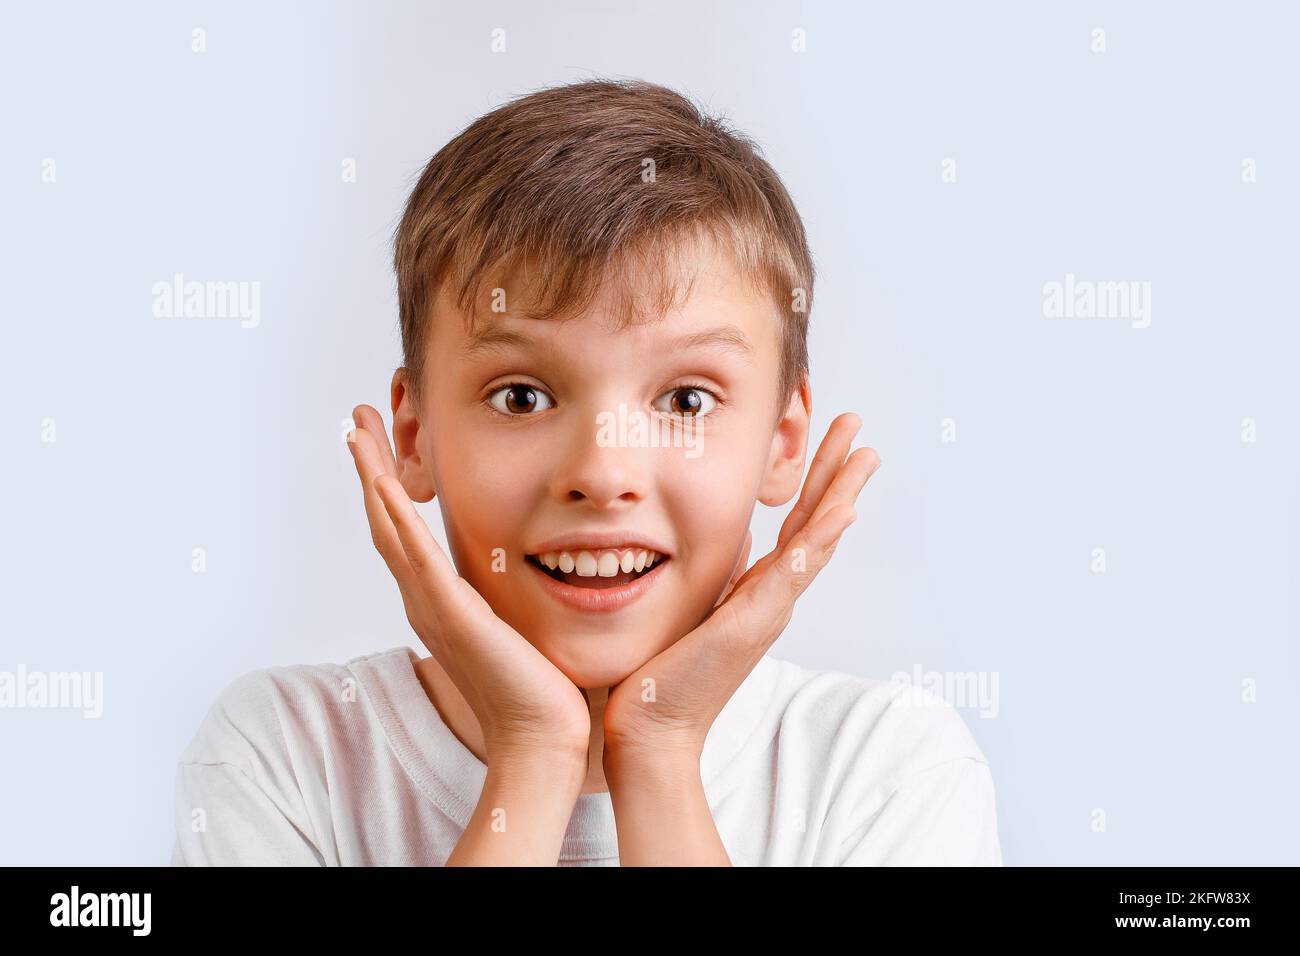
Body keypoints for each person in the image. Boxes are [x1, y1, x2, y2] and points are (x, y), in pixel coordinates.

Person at [171, 78, 1001, 866]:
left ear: (782, 441)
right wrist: (532, 754)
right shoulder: (284, 754)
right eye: (523, 397)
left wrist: (661, 749)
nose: (603, 475)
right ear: (414, 436)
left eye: (684, 401)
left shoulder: (888, 768)